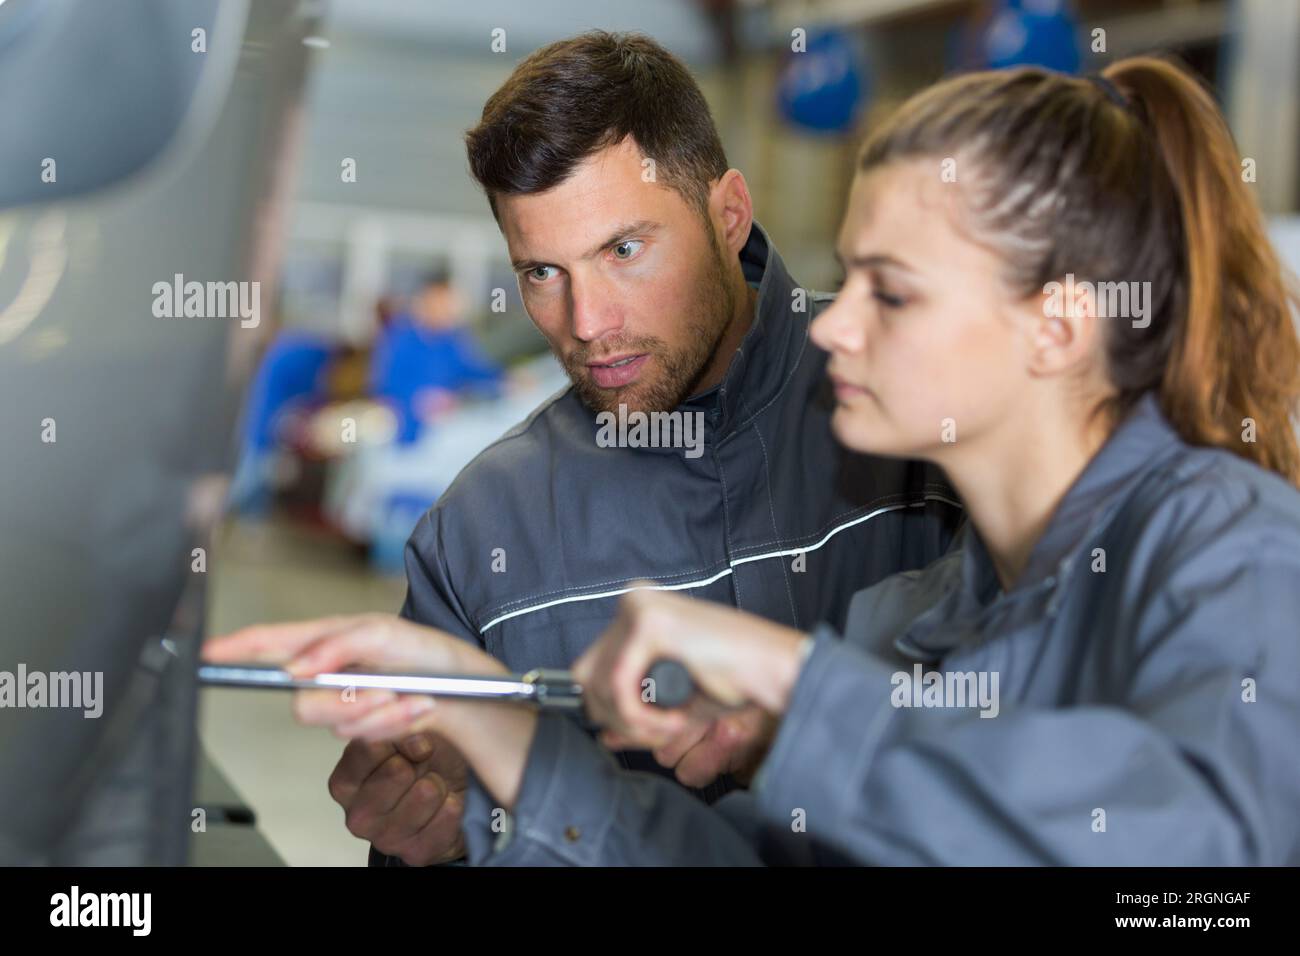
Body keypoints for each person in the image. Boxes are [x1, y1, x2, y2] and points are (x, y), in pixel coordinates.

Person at [208, 55, 1300, 865]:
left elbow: (1211, 856)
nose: (831, 326)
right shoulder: (933, 617)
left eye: (893, 290)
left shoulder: (1228, 546)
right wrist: (490, 722)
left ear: (1059, 324)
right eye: (539, 272)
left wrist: (794, 687)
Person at [315, 32, 962, 865]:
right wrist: (433, 832)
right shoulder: (478, 538)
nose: (588, 324)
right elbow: (442, 810)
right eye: (542, 272)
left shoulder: (926, 402)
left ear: (729, 214)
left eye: (624, 250)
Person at [368, 271, 503, 445]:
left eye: (449, 306)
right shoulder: (399, 338)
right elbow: (382, 384)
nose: (448, 312)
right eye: (442, 305)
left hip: (446, 428)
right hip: (405, 432)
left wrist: (503, 378)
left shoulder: (452, 339)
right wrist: (420, 399)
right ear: (425, 303)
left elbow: (471, 369)